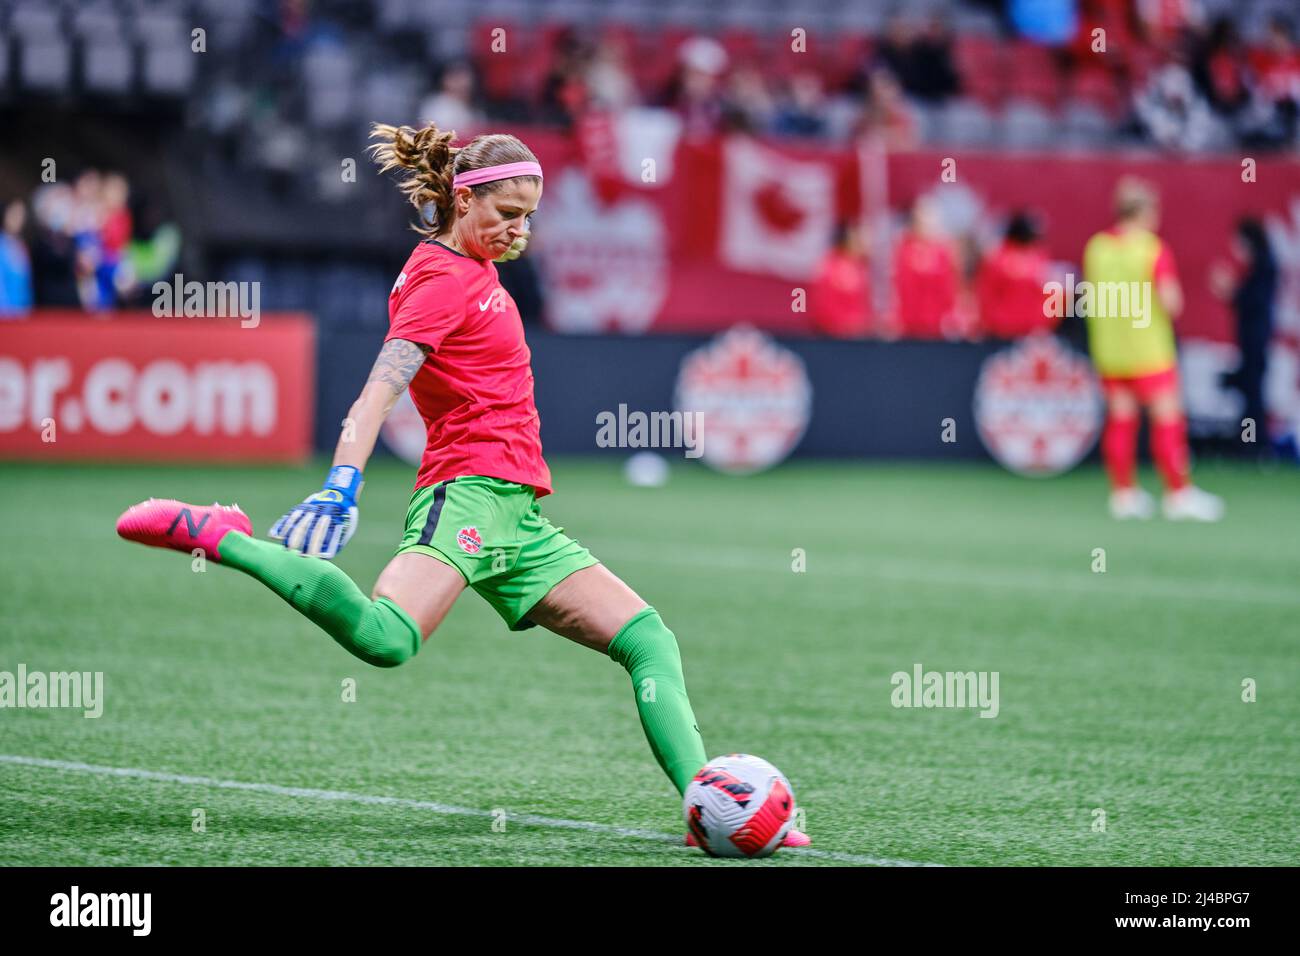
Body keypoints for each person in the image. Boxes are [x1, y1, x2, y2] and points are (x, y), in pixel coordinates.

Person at [116, 122, 809, 851]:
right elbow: (380, 389)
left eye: (529, 217)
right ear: (462, 199)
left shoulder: (473, 272)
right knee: (386, 640)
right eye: (507, 214)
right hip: (467, 494)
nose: (520, 230)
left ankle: (707, 809)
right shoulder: (441, 281)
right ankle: (225, 539)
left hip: (518, 516)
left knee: (647, 639)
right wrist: (341, 483)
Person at [1082, 176, 1223, 521]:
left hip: (1111, 349)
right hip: (1148, 350)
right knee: (1167, 421)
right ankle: (1178, 493)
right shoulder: (1152, 248)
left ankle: (1123, 494)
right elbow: (1170, 302)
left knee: (1121, 421)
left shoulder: (1097, 247)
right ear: (1146, 211)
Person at [1212, 218, 1278, 454]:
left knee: (1253, 396)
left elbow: (1253, 302)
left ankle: (1254, 444)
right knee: (1249, 394)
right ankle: (1250, 442)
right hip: (1251, 343)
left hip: (1256, 343)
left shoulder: (1264, 266)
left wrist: (1231, 290)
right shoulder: (1257, 267)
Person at [975, 211, 1054, 339]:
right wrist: (993, 322)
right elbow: (986, 293)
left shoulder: (1039, 257)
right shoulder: (997, 258)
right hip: (1001, 331)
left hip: (1031, 331)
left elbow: (1044, 294)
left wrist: (1042, 322)